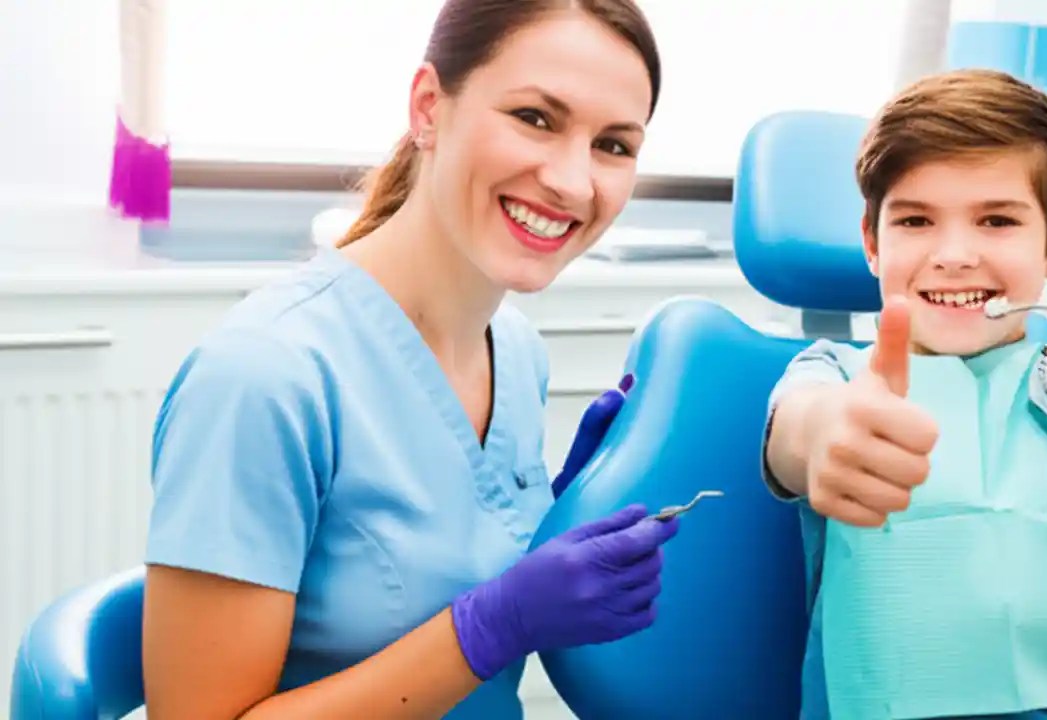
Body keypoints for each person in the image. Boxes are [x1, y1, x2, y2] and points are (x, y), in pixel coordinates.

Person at [141, 1, 677, 718]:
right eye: (535, 118)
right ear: (428, 107)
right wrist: (490, 626)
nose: (574, 183)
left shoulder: (516, 352)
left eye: (614, 145)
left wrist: (566, 521)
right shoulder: (265, 376)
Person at [762, 69, 1047, 719]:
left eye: (996, 220)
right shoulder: (835, 376)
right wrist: (830, 440)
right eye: (917, 220)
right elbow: (801, 431)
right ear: (874, 243)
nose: (955, 253)